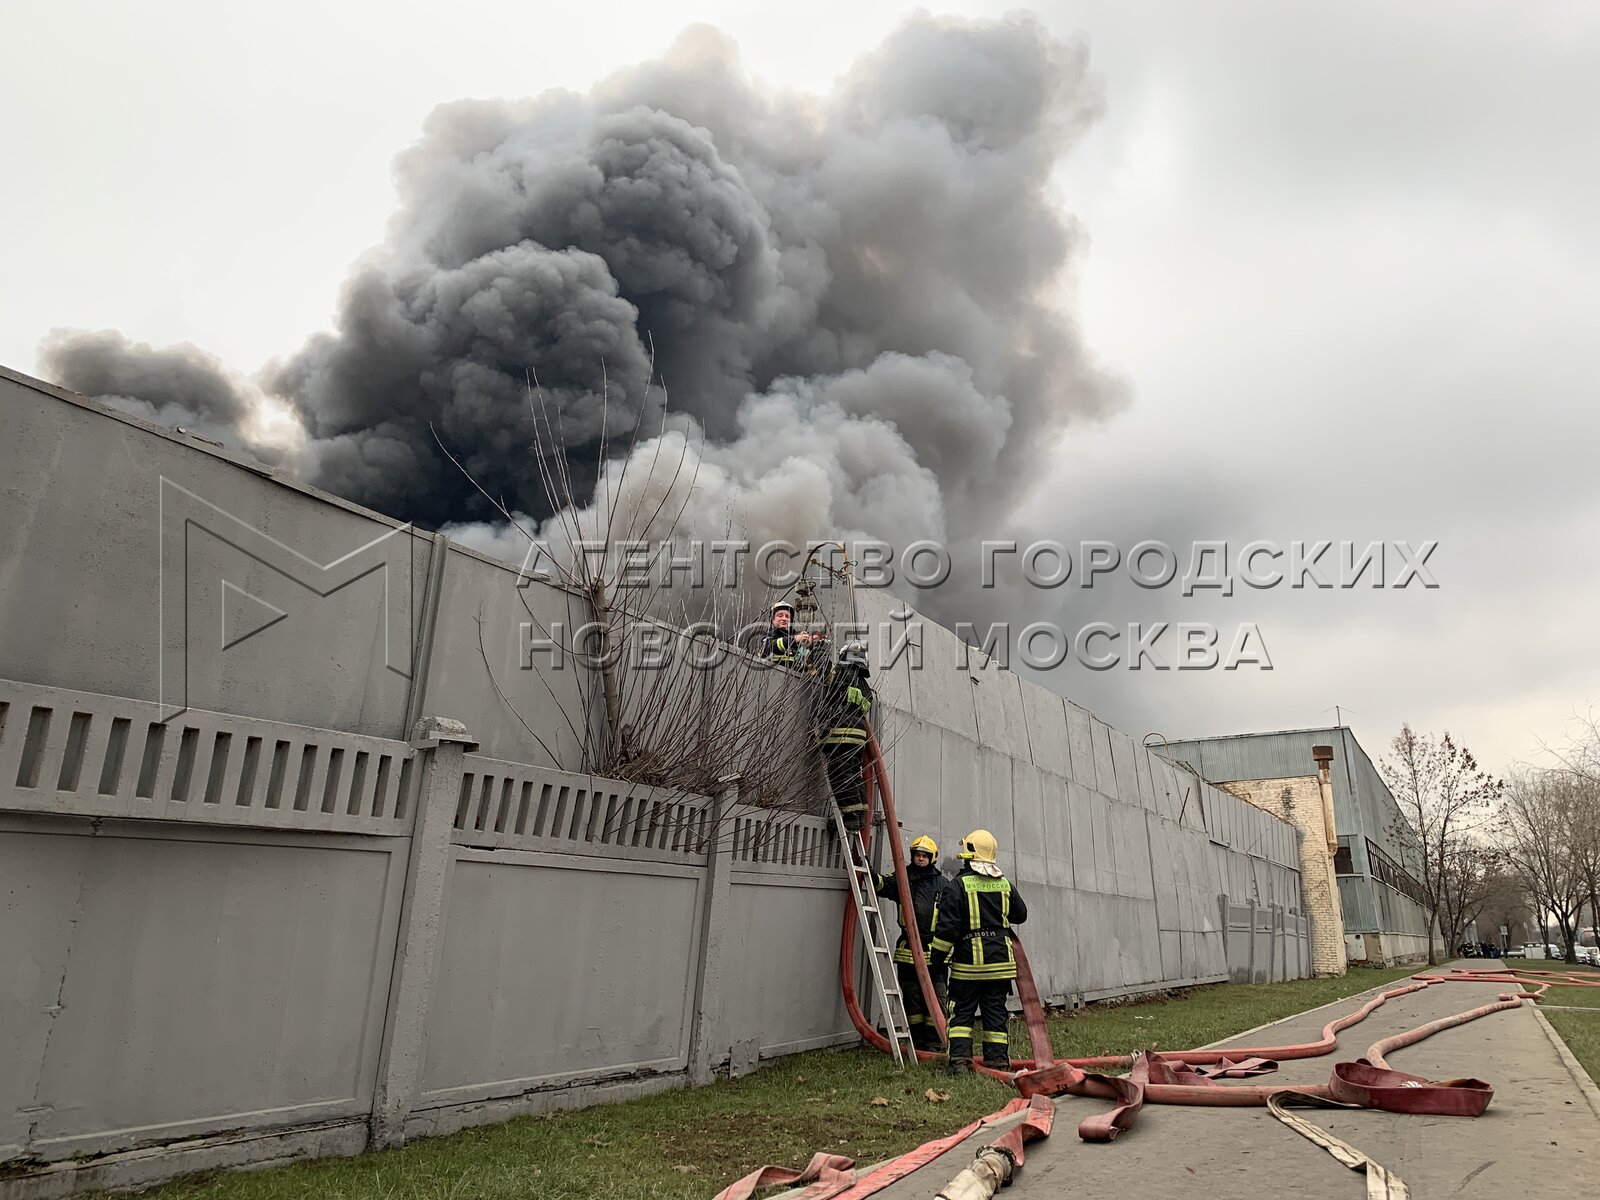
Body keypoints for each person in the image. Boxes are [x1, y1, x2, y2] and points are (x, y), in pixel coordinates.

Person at [928, 829, 1028, 1073]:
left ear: (969, 854)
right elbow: (1020, 915)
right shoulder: (1005, 884)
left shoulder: (957, 886)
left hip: (968, 967)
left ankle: (959, 1062)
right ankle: (998, 1062)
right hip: (1001, 965)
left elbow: (947, 930)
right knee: (995, 1012)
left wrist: (936, 961)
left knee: (961, 1014)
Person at [873, 835, 948, 1051]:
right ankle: (917, 1041)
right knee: (912, 998)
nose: (921, 859)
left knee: (936, 997)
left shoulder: (943, 884)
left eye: (925, 856)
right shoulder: (902, 878)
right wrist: (867, 870)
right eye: (918, 855)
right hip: (907, 951)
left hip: (935, 952)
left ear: (932, 858)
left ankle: (935, 1041)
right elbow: (883, 885)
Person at [817, 640, 874, 832]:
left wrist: (819, 649)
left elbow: (825, 673)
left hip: (839, 731)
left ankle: (849, 815)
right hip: (858, 736)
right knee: (853, 772)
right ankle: (858, 816)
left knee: (840, 773)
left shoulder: (841, 673)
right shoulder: (865, 687)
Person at [761, 601, 804, 666]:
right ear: (772, 620)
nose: (784, 619)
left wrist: (812, 645)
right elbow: (768, 648)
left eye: (787, 616)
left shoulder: (798, 640)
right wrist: (793, 640)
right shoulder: (767, 636)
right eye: (780, 616)